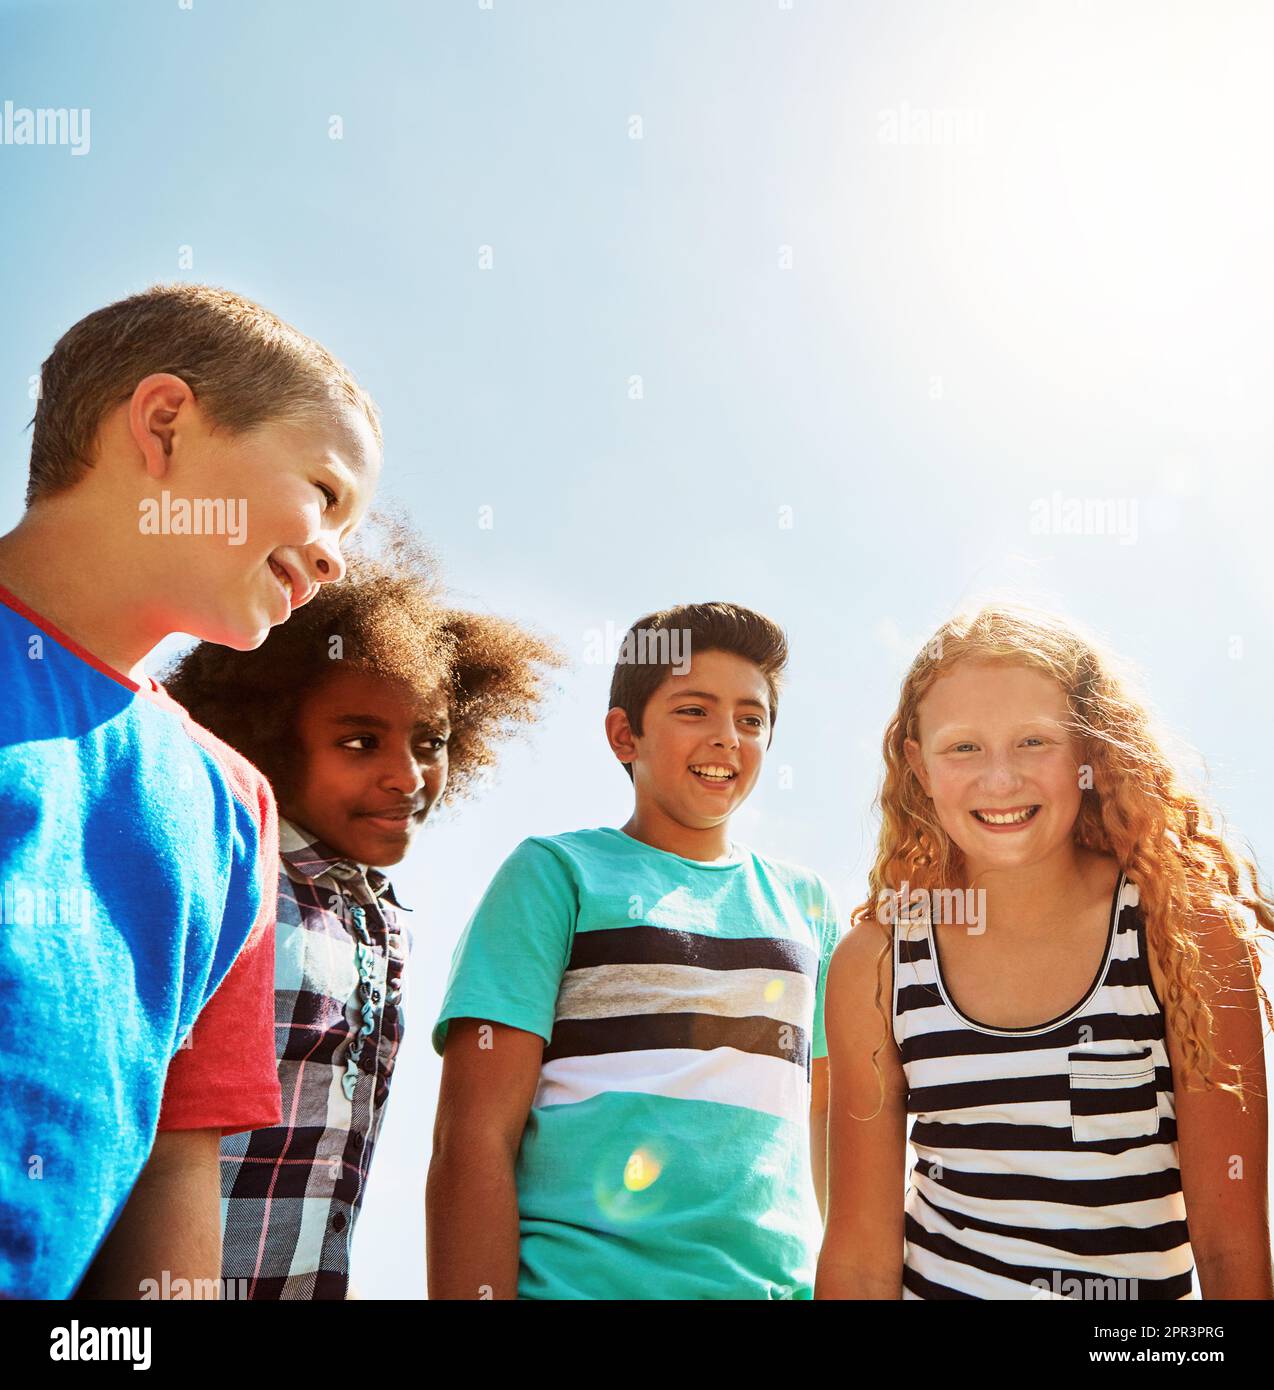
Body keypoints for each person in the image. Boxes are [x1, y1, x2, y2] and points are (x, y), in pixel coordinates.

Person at [0, 283, 381, 1298]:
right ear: (164, 424)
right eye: (327, 491)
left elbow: (176, 1154)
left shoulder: (233, 808)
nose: (337, 552)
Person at [817, 602, 1273, 1300]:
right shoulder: (877, 963)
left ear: (1090, 751)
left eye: (1034, 741)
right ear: (917, 763)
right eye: (963, 747)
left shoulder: (1184, 936)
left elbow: (1230, 1244)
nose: (1000, 780)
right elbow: (858, 1261)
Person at [162, 518, 563, 1297]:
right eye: (359, 742)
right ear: (270, 733)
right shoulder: (226, 873)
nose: (407, 776)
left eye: (431, 741)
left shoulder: (378, 920)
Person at [428, 601, 840, 1299]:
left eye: (751, 719)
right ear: (625, 734)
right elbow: (472, 1138)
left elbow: (834, 1132)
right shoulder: (554, 874)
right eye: (693, 711)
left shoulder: (808, 907)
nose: (727, 739)